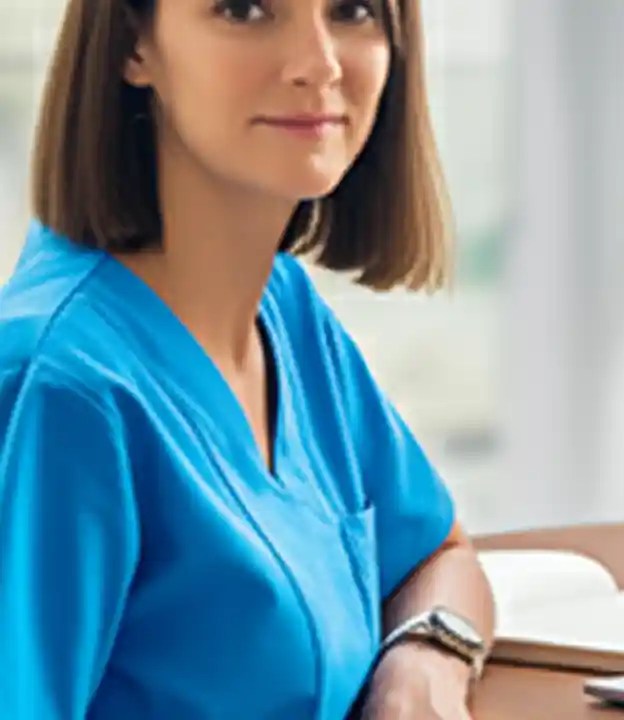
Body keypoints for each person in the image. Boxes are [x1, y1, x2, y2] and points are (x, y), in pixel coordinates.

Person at [0, 1, 494, 718]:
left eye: (352, 10)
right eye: (245, 9)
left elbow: (436, 553)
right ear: (132, 46)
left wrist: (424, 660)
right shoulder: (57, 389)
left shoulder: (284, 312)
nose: (319, 63)